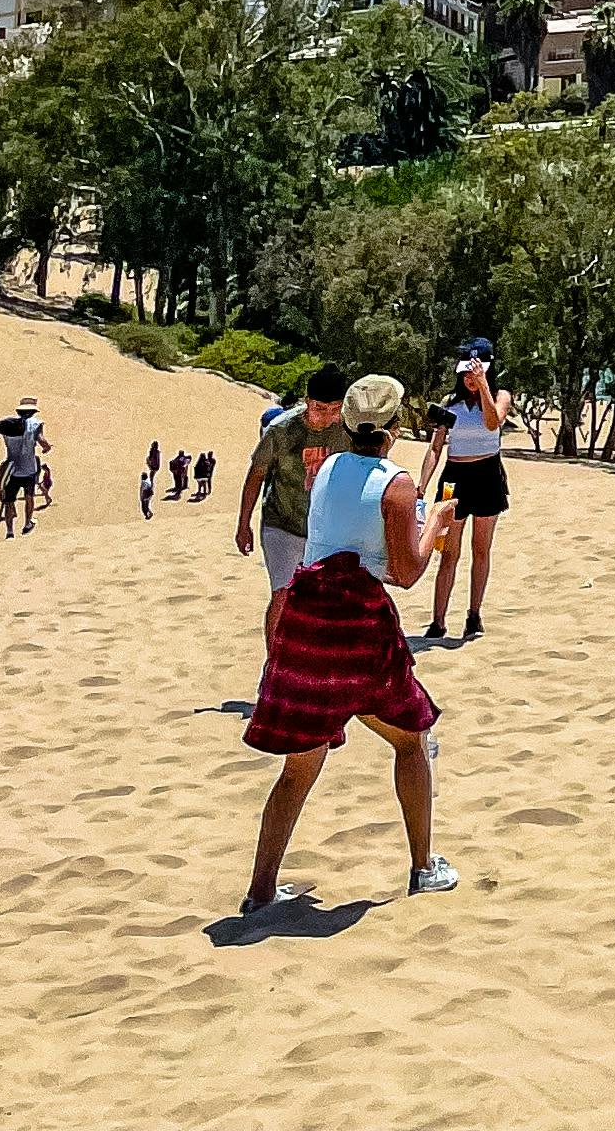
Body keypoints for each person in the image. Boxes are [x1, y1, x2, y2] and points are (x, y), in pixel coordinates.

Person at [240, 372, 459, 918]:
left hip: (307, 618)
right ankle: (423, 866)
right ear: (392, 427)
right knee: (412, 741)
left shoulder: (329, 467)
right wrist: (433, 523)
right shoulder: (397, 483)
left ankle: (261, 889)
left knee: (299, 767)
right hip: (358, 623)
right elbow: (406, 573)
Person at [238, 367, 349, 659]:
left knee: (323, 600)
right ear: (306, 402)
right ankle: (274, 664)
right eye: (319, 409)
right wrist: (243, 524)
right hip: (282, 521)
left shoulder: (346, 430)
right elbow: (256, 475)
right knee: (283, 593)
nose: (326, 416)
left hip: (325, 528)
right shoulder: (281, 430)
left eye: (335, 409)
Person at [426, 339, 511, 644]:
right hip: (455, 477)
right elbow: (436, 447)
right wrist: (423, 483)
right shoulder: (450, 402)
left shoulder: (500, 395)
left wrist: (485, 387)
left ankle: (474, 614)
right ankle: (437, 620)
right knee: (448, 551)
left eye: (476, 372)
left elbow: (492, 424)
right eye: (466, 373)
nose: (470, 378)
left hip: (487, 474)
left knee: (480, 548)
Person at [0, 399, 46, 536]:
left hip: (12, 470)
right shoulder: (35, 425)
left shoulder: (8, 427)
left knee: (9, 502)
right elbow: (42, 441)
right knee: (29, 497)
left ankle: (9, 531)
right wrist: (47, 448)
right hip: (29, 469)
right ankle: (27, 523)